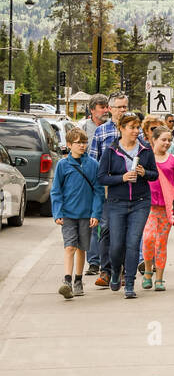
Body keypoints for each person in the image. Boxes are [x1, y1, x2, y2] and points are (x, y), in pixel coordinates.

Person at [98, 111, 158, 298]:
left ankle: (130, 283)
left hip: (140, 202)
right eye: (132, 127)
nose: (136, 131)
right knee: (116, 245)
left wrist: (144, 173)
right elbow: (101, 178)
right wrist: (121, 178)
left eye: (137, 127)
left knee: (132, 243)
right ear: (121, 128)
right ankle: (116, 271)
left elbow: (154, 175)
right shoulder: (111, 150)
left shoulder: (145, 150)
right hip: (116, 203)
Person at [51, 126, 104, 299]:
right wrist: (57, 212)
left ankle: (78, 279)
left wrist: (96, 213)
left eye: (84, 142)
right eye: (78, 143)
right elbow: (56, 190)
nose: (82, 146)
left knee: (82, 248)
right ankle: (67, 280)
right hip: (67, 214)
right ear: (68, 145)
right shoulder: (63, 165)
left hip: (86, 215)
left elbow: (98, 191)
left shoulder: (93, 164)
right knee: (70, 246)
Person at [141, 125, 174, 292]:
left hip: (167, 207)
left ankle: (159, 278)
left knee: (161, 242)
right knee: (148, 239)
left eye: (169, 140)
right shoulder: (145, 158)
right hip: (148, 206)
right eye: (163, 139)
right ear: (153, 140)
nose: (167, 143)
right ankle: (148, 271)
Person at [89, 91, 130, 288]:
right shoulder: (101, 131)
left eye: (125, 107)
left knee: (122, 231)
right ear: (110, 109)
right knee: (104, 230)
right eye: (120, 107)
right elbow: (93, 160)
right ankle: (105, 271)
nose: (123, 110)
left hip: (127, 188)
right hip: (106, 188)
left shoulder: (132, 129)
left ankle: (120, 271)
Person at [83, 94, 109, 274]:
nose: (105, 110)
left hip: (109, 181)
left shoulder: (111, 128)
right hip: (89, 179)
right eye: (102, 107)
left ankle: (106, 260)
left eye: (107, 107)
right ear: (92, 110)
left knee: (106, 222)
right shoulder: (84, 128)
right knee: (92, 221)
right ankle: (93, 261)